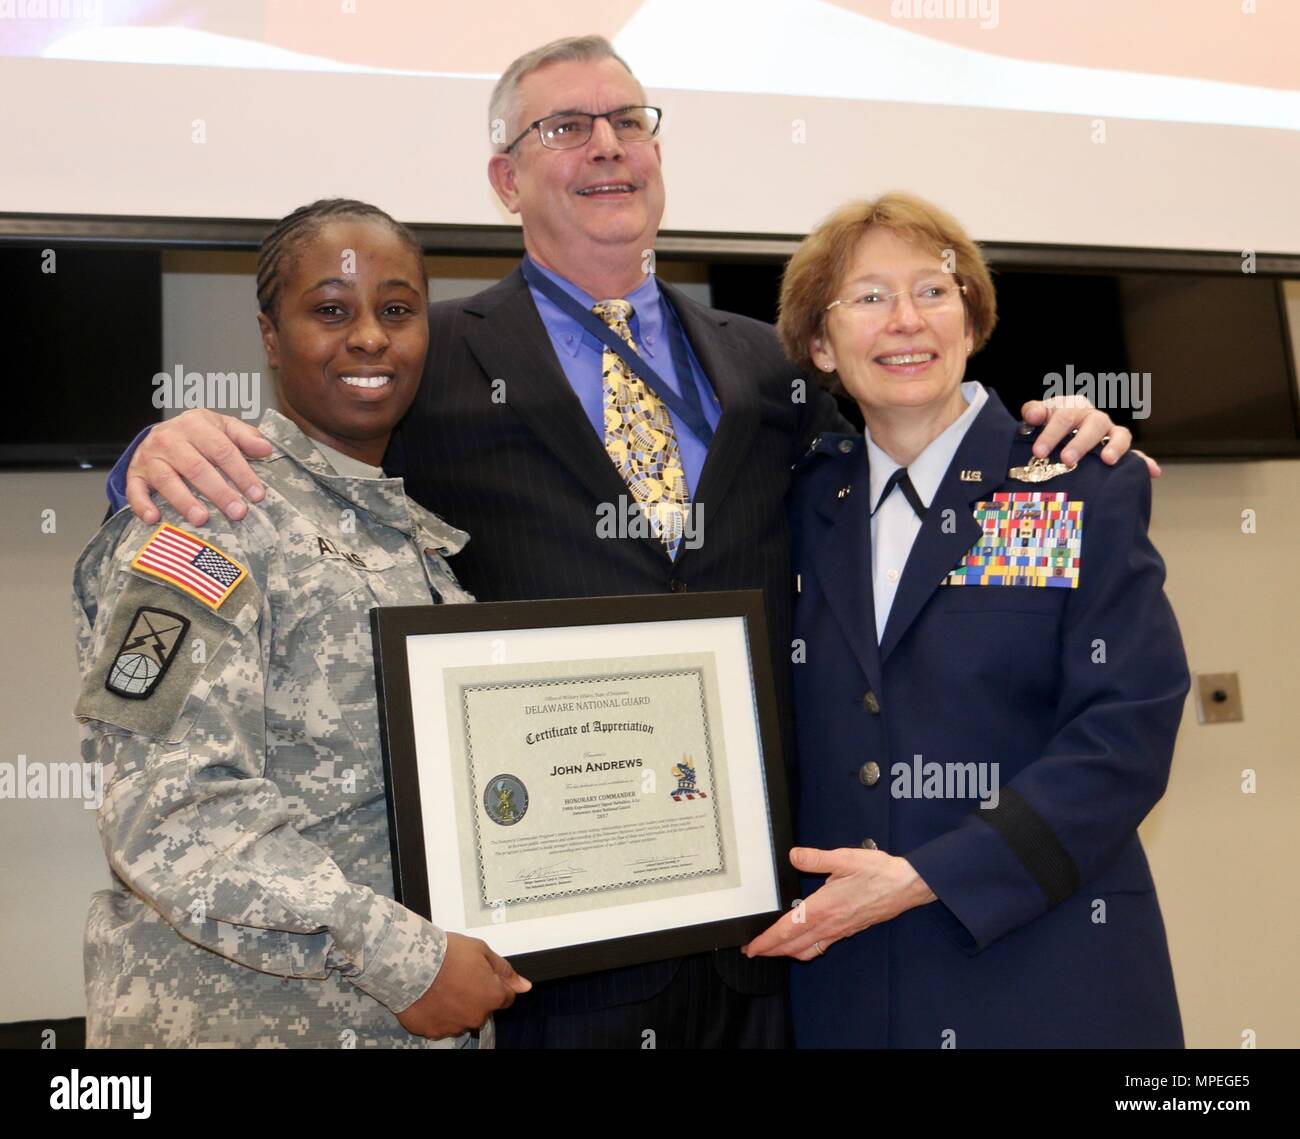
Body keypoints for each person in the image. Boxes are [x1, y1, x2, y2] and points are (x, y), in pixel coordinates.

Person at [106, 39, 1132, 1049]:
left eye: (626, 121)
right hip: (550, 940)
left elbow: (914, 434)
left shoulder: (762, 365)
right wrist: (150, 455)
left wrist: (1061, 431)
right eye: (565, 127)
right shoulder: (427, 353)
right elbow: (309, 455)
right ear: (506, 178)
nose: (605, 145)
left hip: (760, 935)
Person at [73, 199, 529, 1048]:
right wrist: (409, 960)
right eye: (330, 310)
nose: (369, 337)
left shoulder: (410, 537)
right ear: (270, 336)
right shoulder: (211, 512)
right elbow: (168, 813)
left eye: (397, 310)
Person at [743, 192, 1187, 1048]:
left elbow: (1127, 732)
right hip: (847, 990)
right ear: (821, 345)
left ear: (973, 319)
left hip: (1047, 976)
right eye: (868, 297)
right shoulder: (794, 500)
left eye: (933, 292)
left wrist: (925, 877)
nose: (906, 320)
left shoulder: (1073, 481)